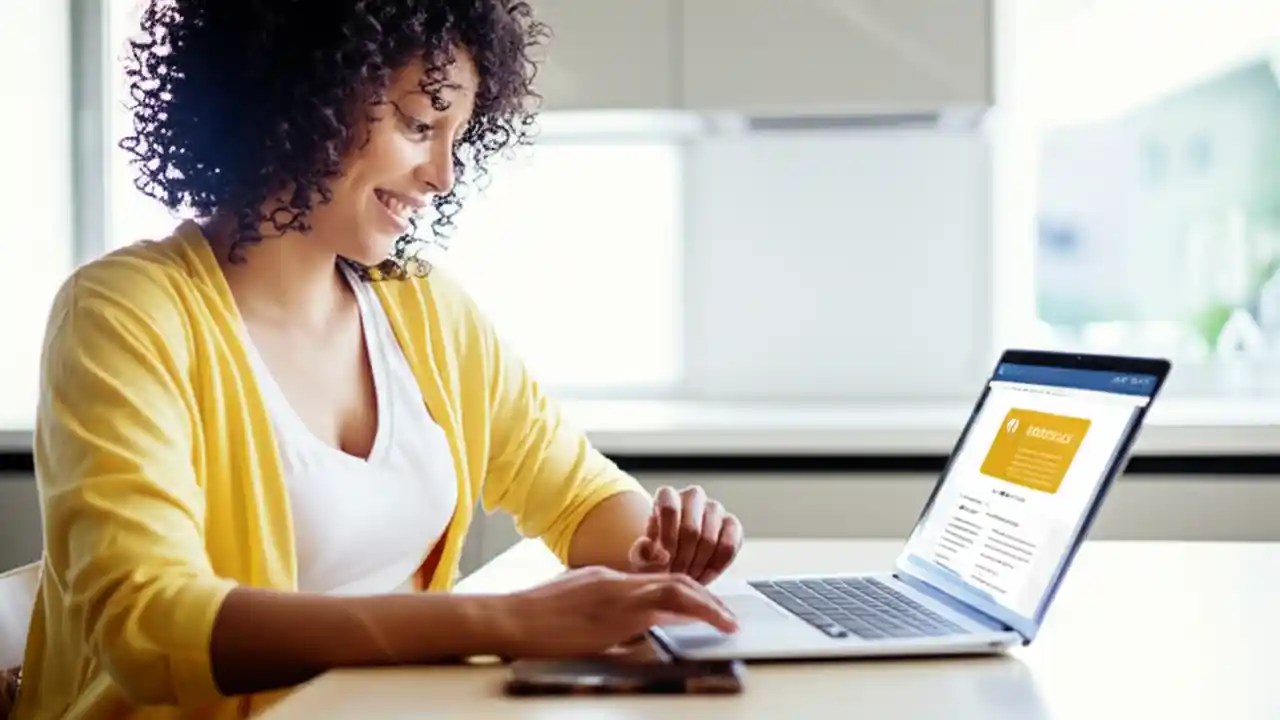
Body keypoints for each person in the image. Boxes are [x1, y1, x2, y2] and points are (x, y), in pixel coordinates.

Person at [13, 2, 744, 717]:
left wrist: (657, 554)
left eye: (457, 136)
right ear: (303, 96)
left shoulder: (424, 310)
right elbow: (148, 627)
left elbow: (578, 496)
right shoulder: (124, 313)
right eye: (419, 125)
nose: (442, 176)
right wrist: (506, 622)